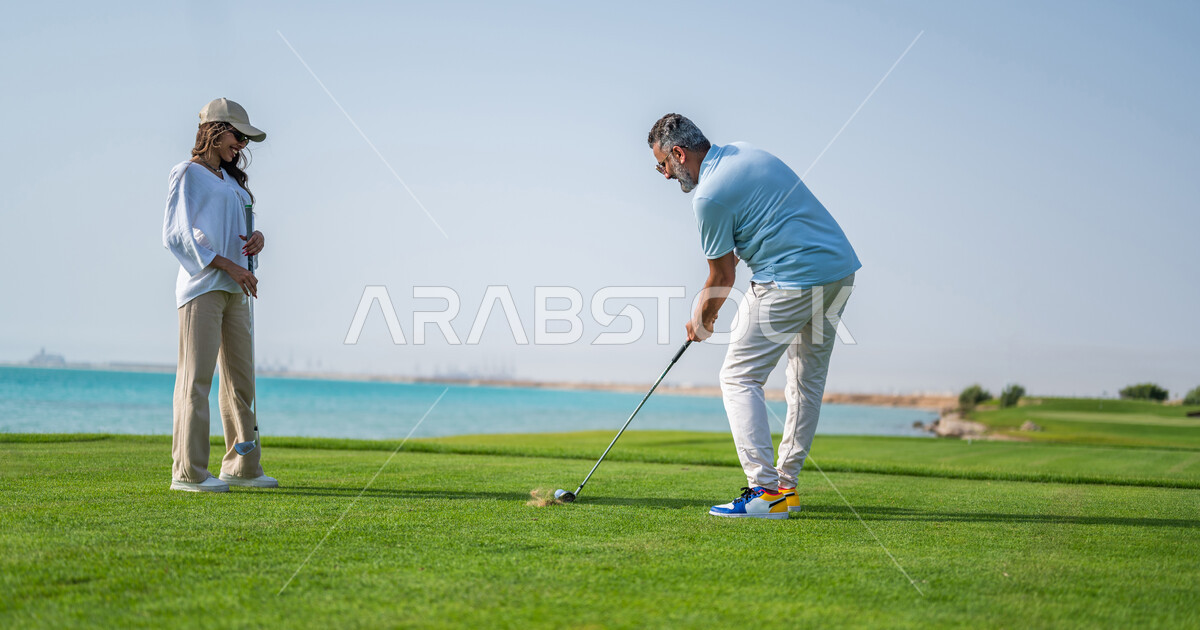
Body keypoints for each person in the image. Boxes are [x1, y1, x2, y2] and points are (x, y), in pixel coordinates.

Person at [648, 113, 860, 519]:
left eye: (662, 165)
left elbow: (722, 276)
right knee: (805, 381)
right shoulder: (745, 151)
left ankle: (764, 491)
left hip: (791, 278)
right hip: (838, 271)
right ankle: (786, 488)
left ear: (678, 153)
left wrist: (703, 322)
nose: (664, 175)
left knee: (738, 376)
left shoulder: (708, 196)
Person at [162, 98, 278, 492]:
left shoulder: (231, 182)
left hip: (236, 291)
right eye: (236, 135)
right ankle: (189, 473)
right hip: (203, 289)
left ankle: (242, 468)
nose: (241, 145)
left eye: (245, 138)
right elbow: (178, 233)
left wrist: (257, 238)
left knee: (240, 384)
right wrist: (228, 265)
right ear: (214, 130)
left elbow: (237, 229)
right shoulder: (187, 174)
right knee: (196, 382)